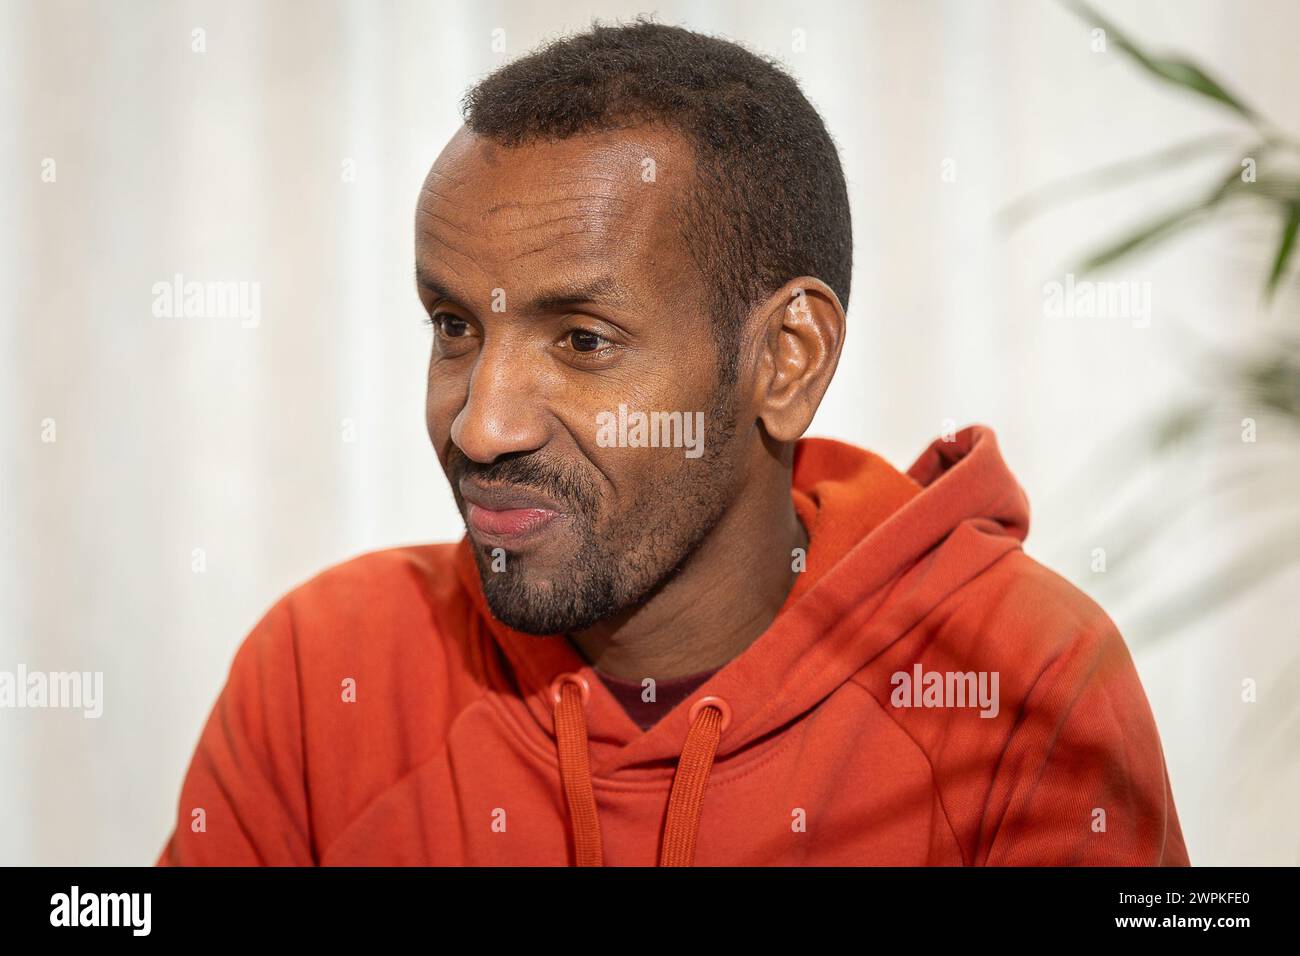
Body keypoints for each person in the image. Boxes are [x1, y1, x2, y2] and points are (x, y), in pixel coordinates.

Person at [157, 19, 1188, 866]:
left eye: (583, 340)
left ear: (785, 360)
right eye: (455, 325)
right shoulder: (326, 667)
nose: (482, 423)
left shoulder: (1015, 677)